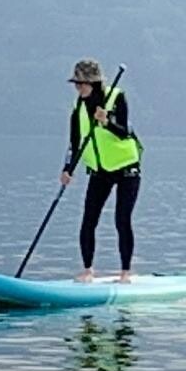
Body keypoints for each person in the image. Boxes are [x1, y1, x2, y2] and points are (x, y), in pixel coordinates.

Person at [60, 59, 143, 283]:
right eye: (75, 84)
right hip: (100, 170)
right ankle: (87, 270)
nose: (78, 88)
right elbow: (74, 142)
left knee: (121, 219)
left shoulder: (116, 97)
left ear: (93, 83)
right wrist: (68, 169)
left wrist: (106, 121)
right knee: (88, 219)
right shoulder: (78, 107)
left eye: (81, 83)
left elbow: (124, 131)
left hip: (126, 167)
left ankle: (125, 272)